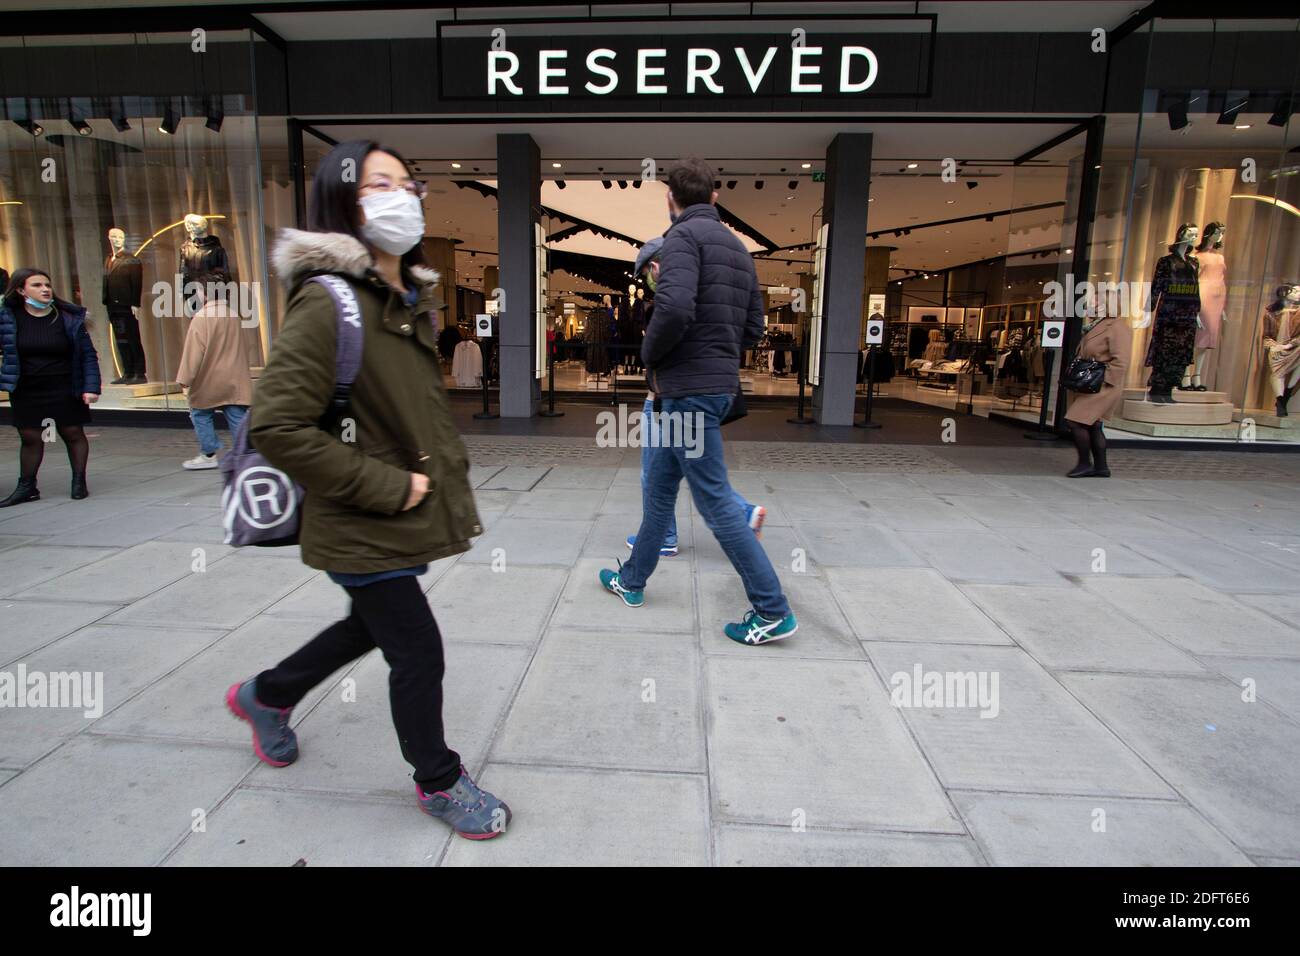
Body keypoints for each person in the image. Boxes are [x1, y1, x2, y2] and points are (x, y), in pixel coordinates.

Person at [227, 140, 510, 840]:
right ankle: (438, 780)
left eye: (408, 184)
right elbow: (278, 424)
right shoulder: (329, 303)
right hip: (360, 517)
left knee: (369, 626)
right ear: (341, 203)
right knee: (418, 650)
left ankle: (266, 694)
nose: (402, 196)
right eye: (379, 185)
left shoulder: (403, 299)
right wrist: (386, 484)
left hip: (390, 517)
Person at [601, 158, 797, 646]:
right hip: (709, 389)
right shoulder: (739, 249)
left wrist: (650, 356)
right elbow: (754, 328)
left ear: (671, 199)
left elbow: (672, 309)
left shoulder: (681, 240)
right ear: (714, 197)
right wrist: (717, 353)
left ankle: (772, 610)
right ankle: (632, 580)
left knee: (716, 504)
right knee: (659, 493)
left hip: (685, 393)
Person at [624, 236, 766, 558]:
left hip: (667, 398)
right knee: (694, 468)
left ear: (656, 267)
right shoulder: (710, 293)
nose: (647, 281)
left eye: (646, 273)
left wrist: (651, 351)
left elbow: (656, 353)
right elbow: (753, 329)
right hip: (704, 395)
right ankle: (739, 514)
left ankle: (667, 536)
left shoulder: (673, 301)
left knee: (658, 474)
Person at [0, 268, 100, 506]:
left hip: (64, 385)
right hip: (26, 387)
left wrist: (91, 387)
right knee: (30, 436)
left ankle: (79, 481)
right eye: (37, 285)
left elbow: (88, 355)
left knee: (72, 432)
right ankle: (27, 487)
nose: (45, 289)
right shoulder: (8, 318)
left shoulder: (67, 317)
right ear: (21, 290)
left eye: (47, 284)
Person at [175, 267, 253, 469]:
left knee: (200, 413)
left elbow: (193, 353)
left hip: (209, 378)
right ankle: (244, 453)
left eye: (199, 290)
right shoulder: (233, 315)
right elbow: (244, 345)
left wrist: (185, 379)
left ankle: (209, 454)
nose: (198, 293)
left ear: (206, 293)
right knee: (236, 415)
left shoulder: (201, 317)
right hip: (234, 376)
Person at [1064, 300, 1131, 478]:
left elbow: (1121, 360)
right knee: (1093, 424)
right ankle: (1101, 467)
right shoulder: (1096, 325)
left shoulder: (1117, 327)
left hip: (1102, 385)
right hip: (1090, 384)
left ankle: (1085, 464)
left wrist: (1104, 380)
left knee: (1074, 421)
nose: (1089, 306)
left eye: (1095, 303)